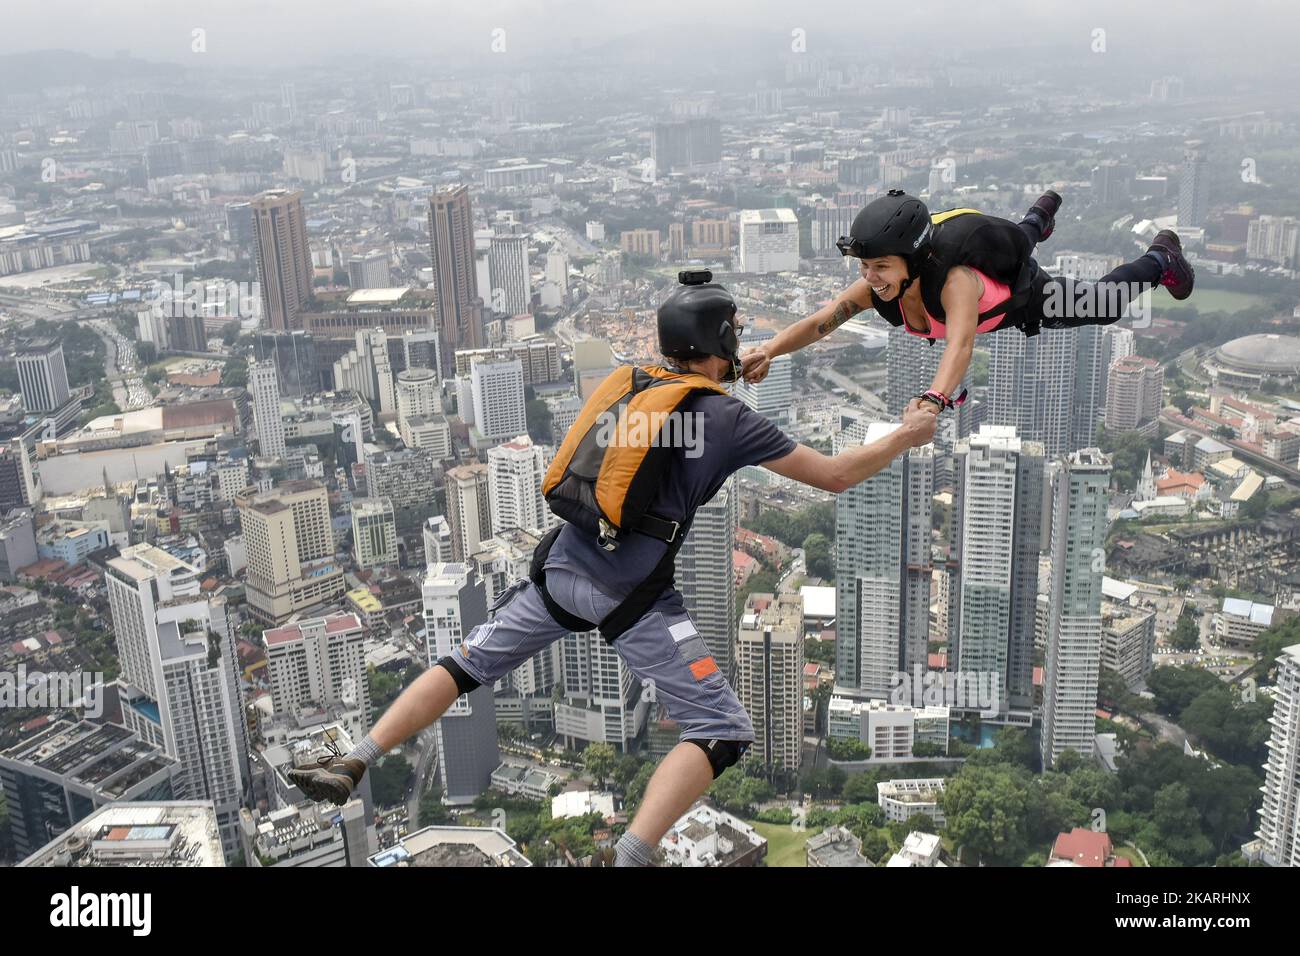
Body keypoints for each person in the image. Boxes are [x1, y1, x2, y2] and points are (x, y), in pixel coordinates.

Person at [288, 271, 937, 866]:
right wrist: (907, 433)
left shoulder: (632, 384)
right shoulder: (728, 417)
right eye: (734, 336)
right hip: (631, 595)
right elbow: (834, 474)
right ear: (719, 340)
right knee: (722, 729)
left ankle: (356, 758)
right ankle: (631, 856)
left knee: (464, 666)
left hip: (559, 569)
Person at [740, 189, 1194, 417]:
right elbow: (824, 320)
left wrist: (935, 399)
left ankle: (1160, 256)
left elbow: (960, 345)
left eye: (879, 266)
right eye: (864, 266)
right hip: (992, 290)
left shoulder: (954, 282)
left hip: (1024, 299)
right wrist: (769, 350)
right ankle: (1038, 218)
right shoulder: (878, 289)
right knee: (1022, 234)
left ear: (913, 260)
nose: (868, 278)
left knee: (1102, 304)